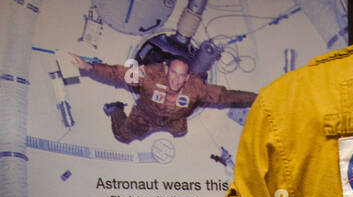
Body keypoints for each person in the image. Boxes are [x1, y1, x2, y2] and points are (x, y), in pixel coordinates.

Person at [72, 54, 256, 144]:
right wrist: (89, 67)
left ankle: (170, 125)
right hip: (145, 116)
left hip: (174, 120)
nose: (176, 79)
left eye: (181, 76)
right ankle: (116, 109)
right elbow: (119, 73)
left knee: (180, 132)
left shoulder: (196, 87)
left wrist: (256, 97)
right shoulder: (150, 75)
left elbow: (225, 95)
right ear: (167, 70)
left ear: (187, 77)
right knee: (123, 136)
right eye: (173, 73)